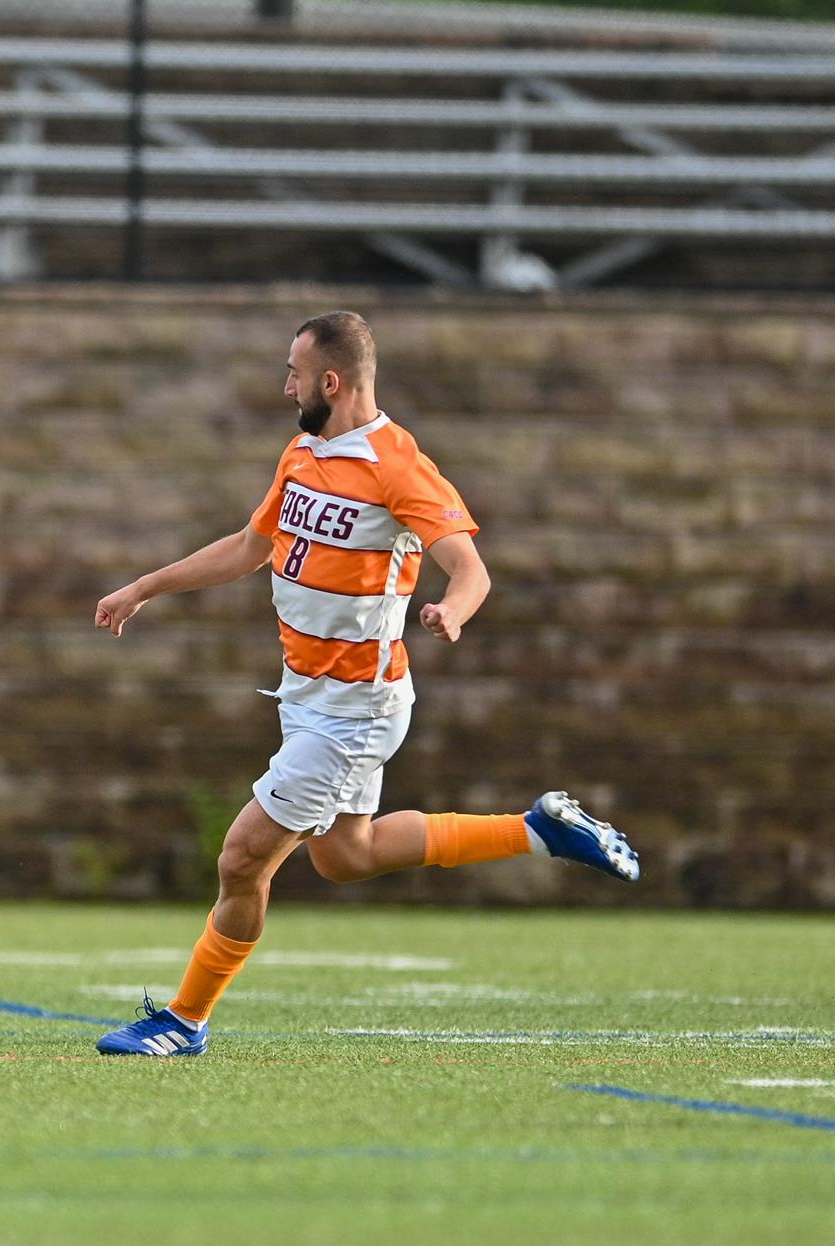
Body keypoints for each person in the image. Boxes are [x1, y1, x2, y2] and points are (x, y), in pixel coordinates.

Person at [91, 312, 638, 1058]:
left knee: (243, 856)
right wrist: (144, 588)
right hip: (305, 695)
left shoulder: (398, 466)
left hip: (356, 709)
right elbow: (253, 546)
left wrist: (452, 609)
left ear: (331, 380)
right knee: (346, 854)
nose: (285, 384)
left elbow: (471, 568)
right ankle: (538, 829)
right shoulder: (302, 451)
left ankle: (183, 1021)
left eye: (293, 372)